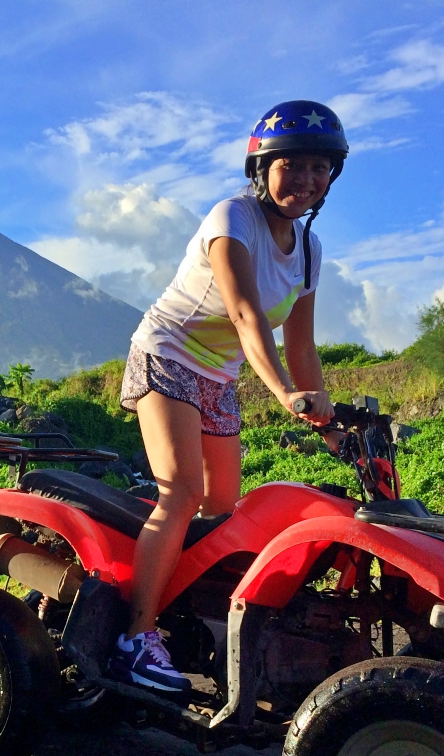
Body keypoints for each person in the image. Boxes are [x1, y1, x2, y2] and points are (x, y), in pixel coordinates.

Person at [108, 100, 348, 696]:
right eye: (291, 165)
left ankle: (170, 598)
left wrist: (328, 421)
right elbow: (245, 314)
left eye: (319, 168)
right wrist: (285, 393)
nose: (306, 180)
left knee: (221, 507)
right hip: (168, 352)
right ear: (261, 169)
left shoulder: (309, 249)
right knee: (183, 493)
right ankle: (134, 639)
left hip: (217, 376)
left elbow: (301, 345)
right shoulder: (232, 217)